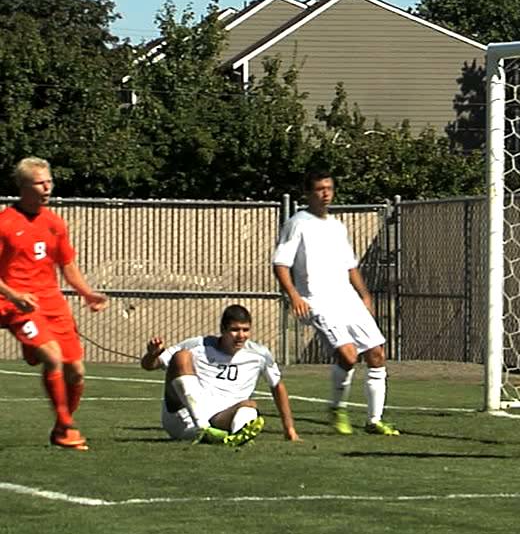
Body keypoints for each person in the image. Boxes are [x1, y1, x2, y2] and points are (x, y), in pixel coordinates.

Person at [272, 170, 398, 436]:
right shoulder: (298, 223)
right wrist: (294, 295)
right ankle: (338, 408)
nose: (326, 193)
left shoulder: (337, 226)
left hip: (346, 298)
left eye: (329, 188)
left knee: (376, 353)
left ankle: (374, 420)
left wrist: (364, 295)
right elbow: (281, 263)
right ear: (308, 193)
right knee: (348, 355)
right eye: (320, 189)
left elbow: (350, 265)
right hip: (317, 301)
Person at [0, 157, 109, 450]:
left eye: (49, 182)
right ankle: (67, 427)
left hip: (53, 304)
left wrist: (87, 293)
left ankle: (61, 428)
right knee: (52, 356)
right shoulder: (5, 223)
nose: (47, 188)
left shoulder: (54, 222)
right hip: (17, 305)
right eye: (40, 183)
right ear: (23, 186)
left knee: (77, 371)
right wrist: (13, 295)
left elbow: (67, 265)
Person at [140, 304, 299, 445]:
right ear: (223, 329)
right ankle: (202, 427)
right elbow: (149, 365)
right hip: (183, 418)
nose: (241, 335)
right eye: (234, 330)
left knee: (249, 407)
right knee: (182, 356)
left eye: (245, 330)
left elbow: (277, 386)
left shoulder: (259, 354)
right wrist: (152, 354)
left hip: (221, 419)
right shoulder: (198, 345)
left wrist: (289, 429)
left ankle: (233, 436)